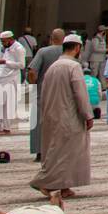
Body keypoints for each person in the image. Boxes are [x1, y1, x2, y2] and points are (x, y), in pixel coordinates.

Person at [30, 34, 93, 203]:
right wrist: (88, 114)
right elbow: (80, 93)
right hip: (69, 116)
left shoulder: (54, 66)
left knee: (62, 151)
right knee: (65, 152)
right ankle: (43, 182)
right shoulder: (73, 66)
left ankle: (64, 187)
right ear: (78, 48)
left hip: (52, 115)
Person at [0, 31, 25, 135]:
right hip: (1, 78)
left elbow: (22, 65)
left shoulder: (19, 48)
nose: (2, 43)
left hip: (11, 79)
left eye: (4, 41)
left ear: (10, 39)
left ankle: (7, 127)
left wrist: (6, 62)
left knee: (8, 104)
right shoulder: (6, 48)